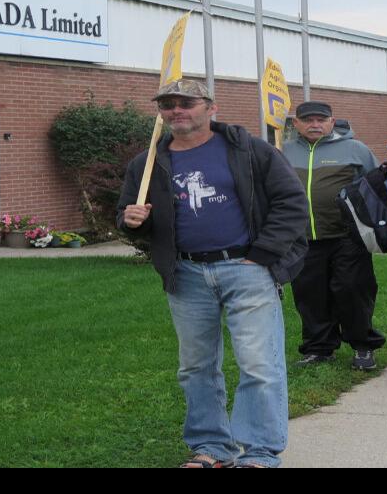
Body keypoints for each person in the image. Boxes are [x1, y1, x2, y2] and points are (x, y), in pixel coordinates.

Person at [116, 80, 308, 468]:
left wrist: (262, 254)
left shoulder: (249, 150)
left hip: (246, 269)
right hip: (185, 273)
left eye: (186, 102)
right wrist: (130, 220)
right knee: (196, 367)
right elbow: (129, 216)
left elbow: (291, 202)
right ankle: (211, 449)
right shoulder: (147, 162)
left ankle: (258, 452)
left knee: (259, 363)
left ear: (210, 107)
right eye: (167, 104)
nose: (176, 110)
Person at [282, 101, 386, 371]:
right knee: (310, 295)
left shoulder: (355, 150)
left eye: (321, 119)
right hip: (302, 239)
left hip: (346, 237)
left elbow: (376, 188)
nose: (315, 124)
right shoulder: (283, 152)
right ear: (296, 123)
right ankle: (319, 348)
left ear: (331, 122)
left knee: (353, 290)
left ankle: (363, 346)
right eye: (308, 120)